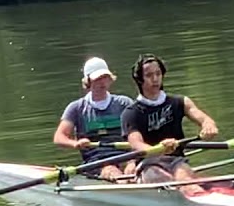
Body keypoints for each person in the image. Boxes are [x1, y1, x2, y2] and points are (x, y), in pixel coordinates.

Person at [120, 53, 220, 187]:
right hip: (148, 165)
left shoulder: (179, 102)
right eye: (149, 75)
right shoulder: (131, 113)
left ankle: (197, 194)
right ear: (140, 80)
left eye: (158, 74)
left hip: (176, 161)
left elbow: (203, 118)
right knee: (161, 178)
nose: (155, 79)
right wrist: (158, 149)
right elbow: (136, 143)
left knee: (184, 179)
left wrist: (209, 126)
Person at [53, 57, 135, 181]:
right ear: (88, 82)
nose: (102, 83)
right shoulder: (77, 108)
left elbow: (140, 131)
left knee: (137, 169)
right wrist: (75, 144)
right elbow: (59, 137)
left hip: (127, 157)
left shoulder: (124, 103)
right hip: (96, 162)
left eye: (105, 78)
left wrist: (133, 161)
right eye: (98, 79)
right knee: (111, 170)